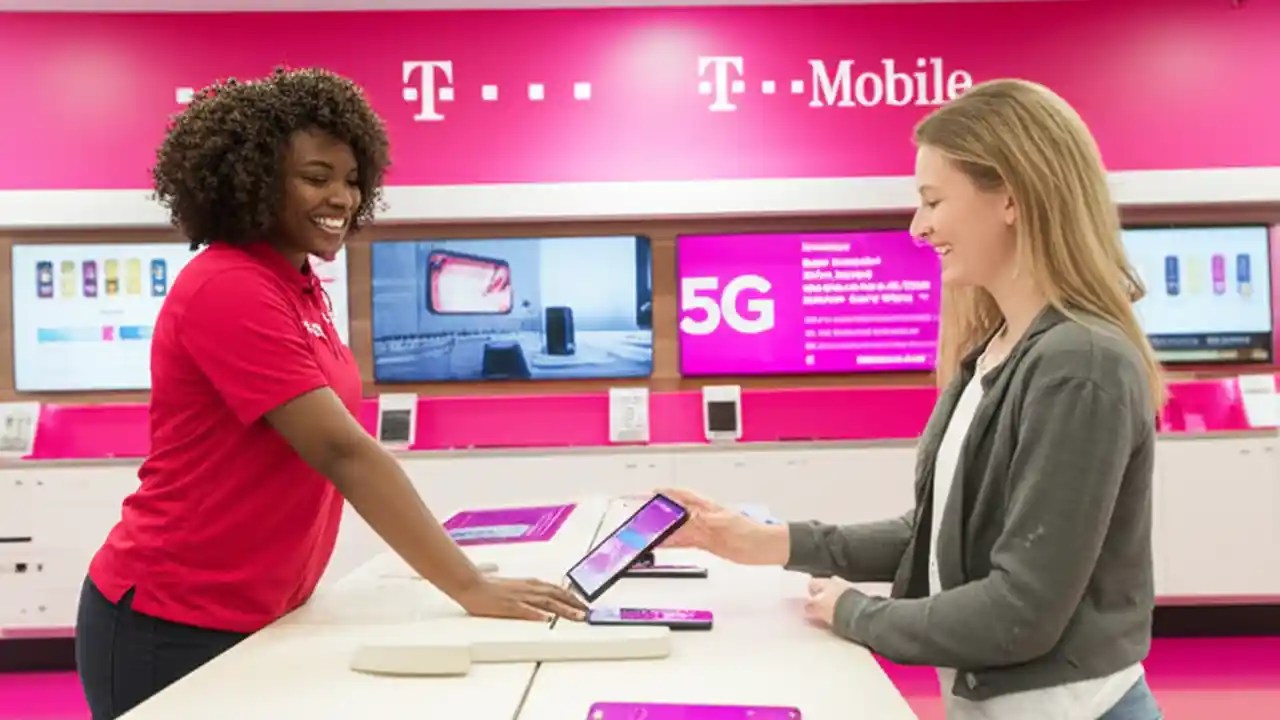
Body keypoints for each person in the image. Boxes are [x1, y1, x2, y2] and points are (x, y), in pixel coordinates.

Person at [75, 68, 586, 720]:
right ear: (255, 180)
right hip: (171, 619)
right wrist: (465, 585)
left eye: (352, 179)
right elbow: (342, 451)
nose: (341, 196)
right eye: (316, 177)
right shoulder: (228, 285)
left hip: (262, 608)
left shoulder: (299, 285)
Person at [660, 79, 1165, 720]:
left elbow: (1022, 611)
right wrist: (769, 542)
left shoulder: (1079, 365)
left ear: (1010, 197)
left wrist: (859, 613)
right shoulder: (994, 351)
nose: (918, 227)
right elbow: (938, 535)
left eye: (933, 201)